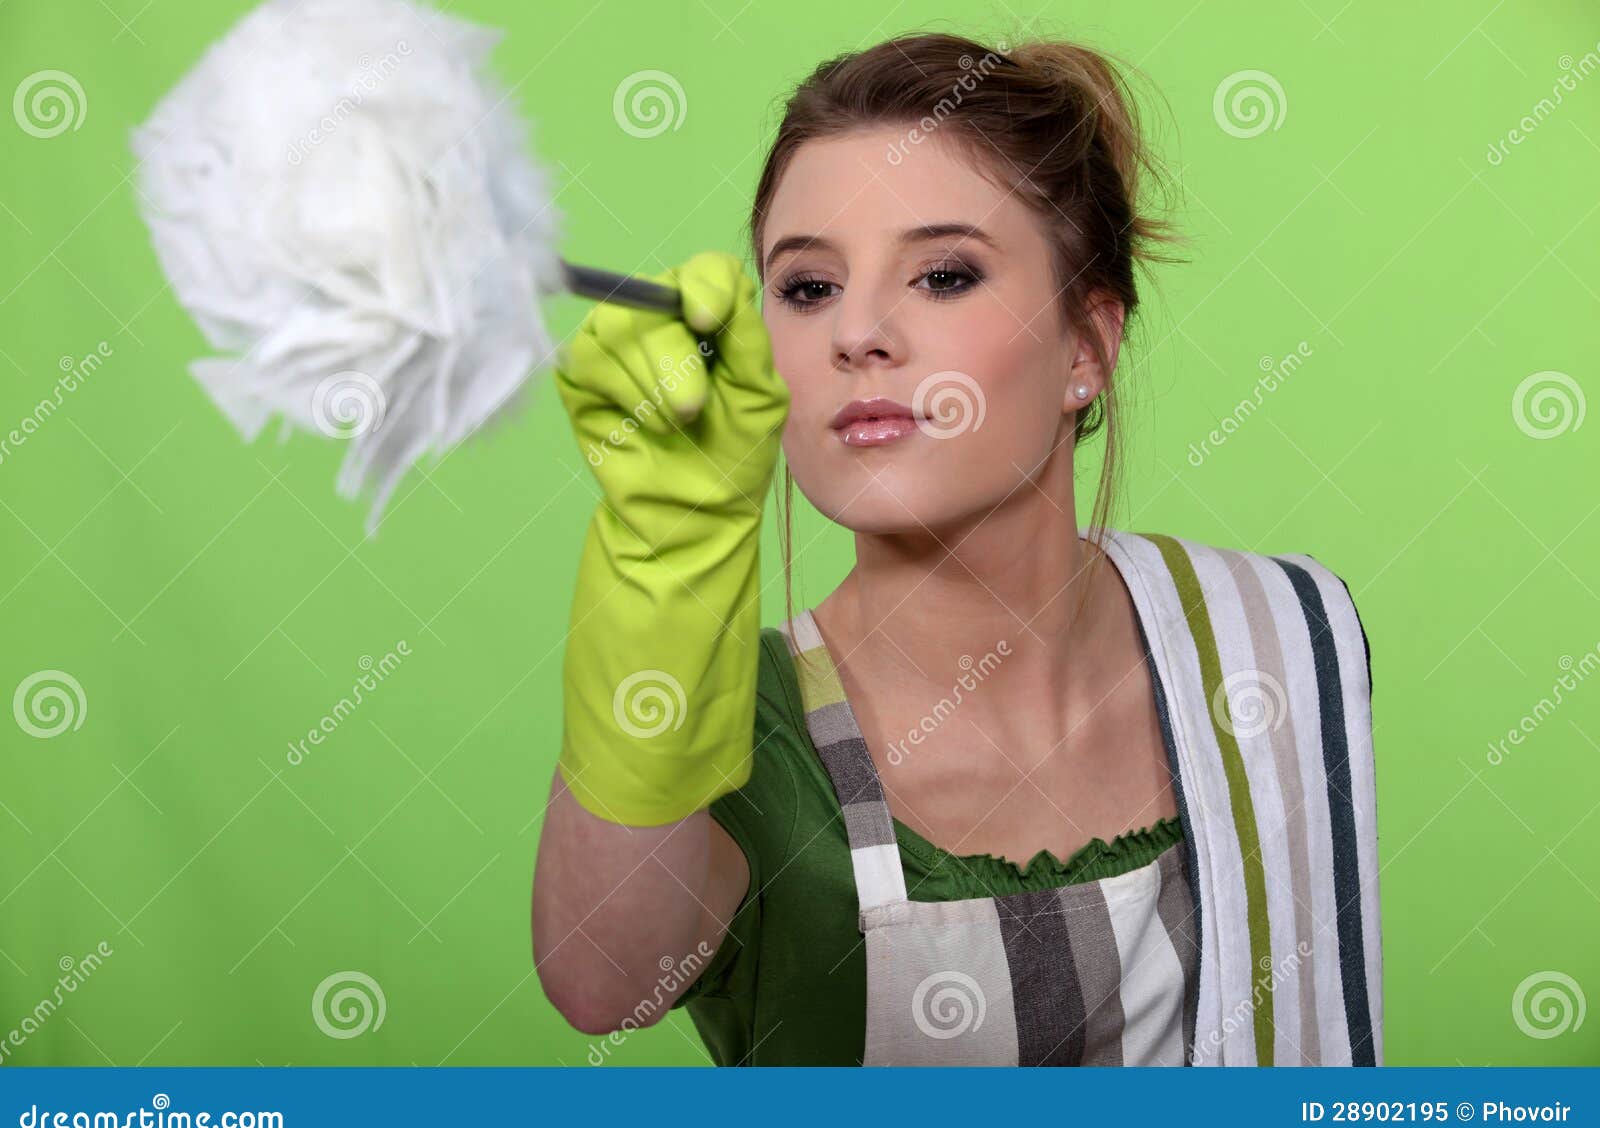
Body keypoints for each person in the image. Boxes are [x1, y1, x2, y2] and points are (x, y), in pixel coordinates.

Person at [531, 32, 1381, 1067]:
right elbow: (602, 977)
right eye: (808, 287)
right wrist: (662, 569)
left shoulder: (1277, 636)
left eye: (941, 274)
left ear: (1086, 346)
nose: (857, 333)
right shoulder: (725, 723)